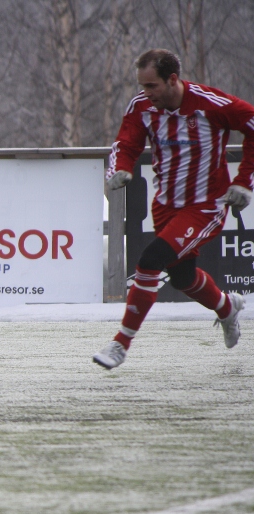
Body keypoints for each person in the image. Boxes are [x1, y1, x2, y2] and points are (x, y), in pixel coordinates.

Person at [94, 49, 254, 369]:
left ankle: (120, 344)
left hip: (205, 206)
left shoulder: (211, 104)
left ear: (172, 79)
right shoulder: (141, 106)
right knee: (182, 277)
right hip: (166, 204)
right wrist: (120, 168)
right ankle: (226, 308)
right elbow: (125, 143)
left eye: (152, 86)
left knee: (150, 260)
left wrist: (244, 181)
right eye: (142, 85)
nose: (146, 93)